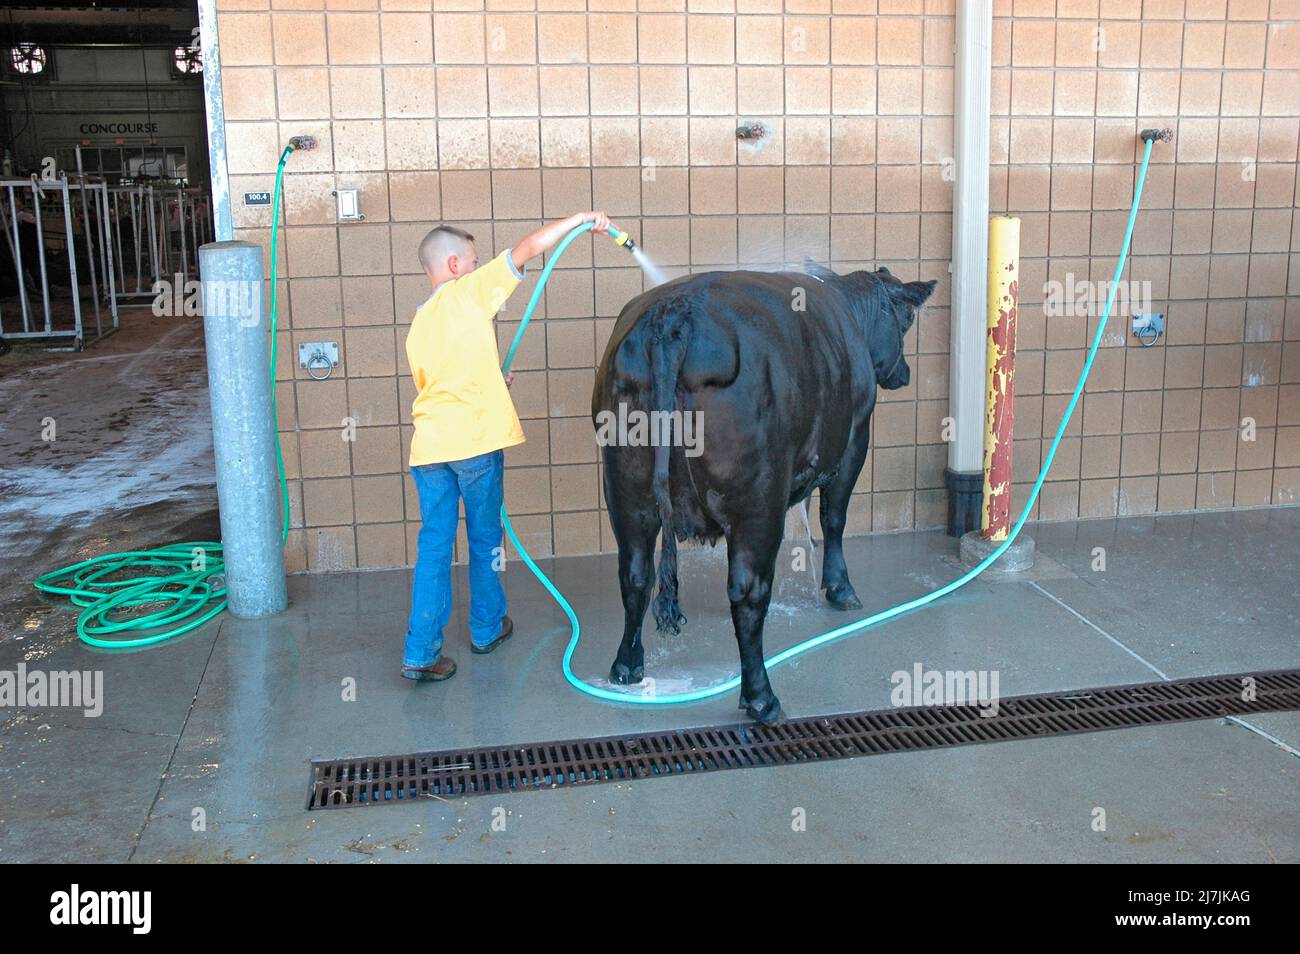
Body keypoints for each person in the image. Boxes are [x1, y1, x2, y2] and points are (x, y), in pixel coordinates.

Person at [401, 211, 612, 682]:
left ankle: (419, 653)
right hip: (474, 444)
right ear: (454, 265)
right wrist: (581, 219)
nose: (479, 268)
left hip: (430, 449)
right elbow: (530, 247)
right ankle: (486, 629)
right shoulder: (468, 293)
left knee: (434, 546)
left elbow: (438, 383)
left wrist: (492, 381)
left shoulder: (419, 322)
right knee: (484, 541)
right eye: (474, 261)